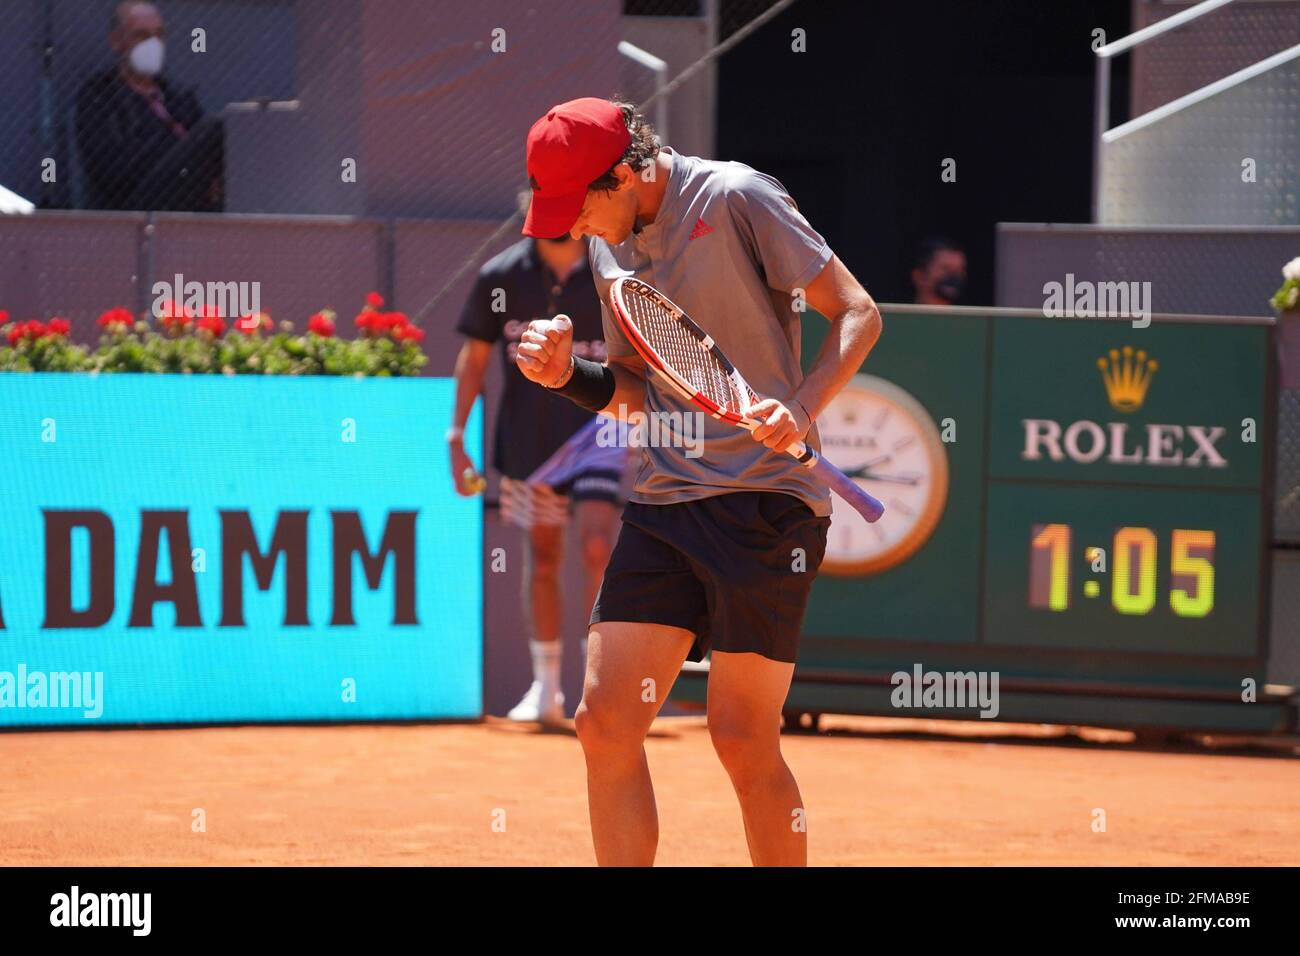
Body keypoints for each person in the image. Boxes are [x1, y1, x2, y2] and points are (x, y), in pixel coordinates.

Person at [514, 98, 882, 866]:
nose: (572, 229)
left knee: (743, 738)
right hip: (666, 499)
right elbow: (632, 386)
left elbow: (856, 312)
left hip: (768, 503)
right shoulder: (607, 246)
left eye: (577, 207)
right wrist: (564, 376)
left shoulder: (737, 197)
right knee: (604, 720)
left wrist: (802, 407)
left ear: (623, 174)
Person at [450, 220, 624, 725]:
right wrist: (457, 436)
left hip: (601, 433)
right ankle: (546, 688)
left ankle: (604, 687)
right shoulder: (498, 277)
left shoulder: (608, 269)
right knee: (543, 554)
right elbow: (475, 357)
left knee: (597, 546)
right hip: (531, 442)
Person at [76, 1, 222, 211]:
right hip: (136, 199)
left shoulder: (178, 96)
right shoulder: (100, 96)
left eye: (159, 35)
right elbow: (109, 170)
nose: (153, 44)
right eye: (142, 36)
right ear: (116, 41)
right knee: (215, 127)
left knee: (230, 130)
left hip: (189, 193)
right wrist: (174, 150)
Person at [910, 236, 967, 306]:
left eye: (959, 270)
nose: (954, 276)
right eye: (946, 269)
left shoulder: (974, 316)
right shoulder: (897, 315)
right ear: (919, 276)